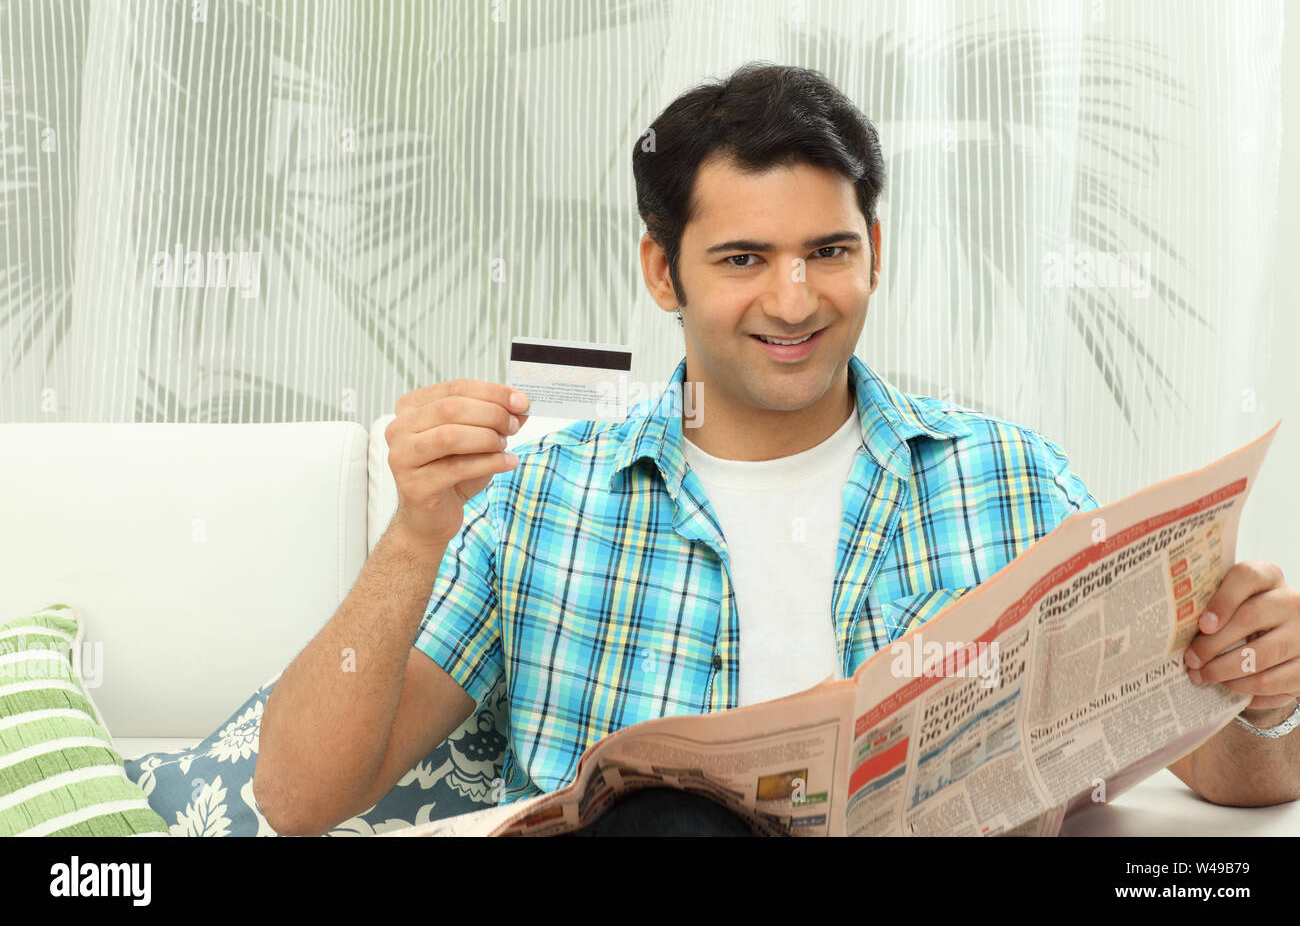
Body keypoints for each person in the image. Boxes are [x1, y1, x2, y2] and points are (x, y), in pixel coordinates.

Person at [255, 62, 1300, 837]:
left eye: (828, 252)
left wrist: (1262, 692)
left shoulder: (1012, 478)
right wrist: (411, 536)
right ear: (662, 273)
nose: (794, 300)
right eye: (743, 257)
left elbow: (1229, 777)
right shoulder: (545, 497)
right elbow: (300, 800)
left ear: (873, 253)